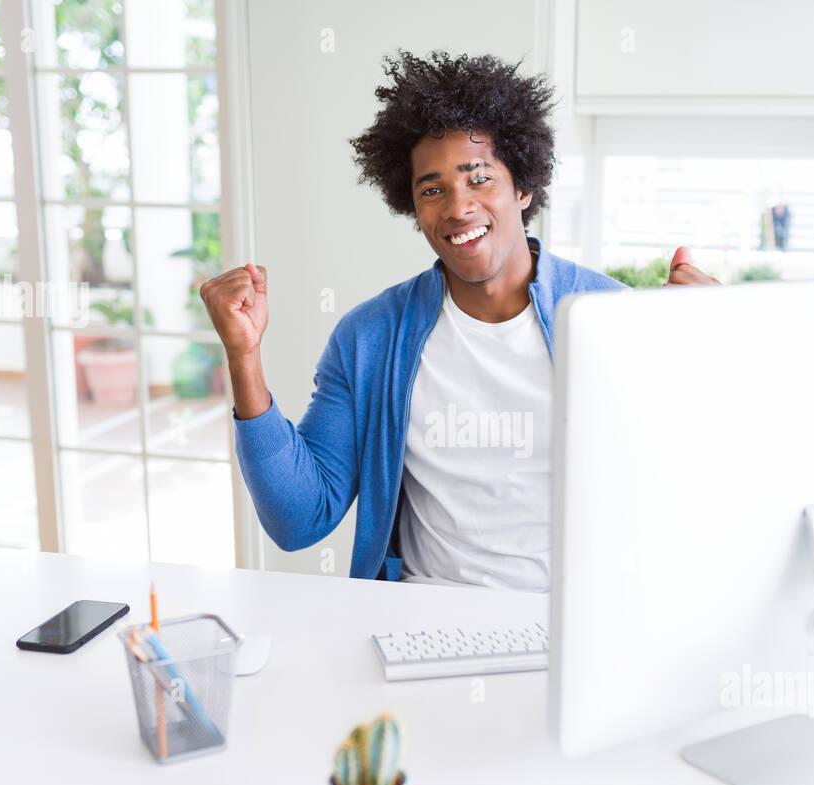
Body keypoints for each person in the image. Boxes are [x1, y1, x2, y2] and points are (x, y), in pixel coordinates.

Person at [199, 50, 718, 589]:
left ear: (523, 188)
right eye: (432, 190)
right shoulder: (370, 338)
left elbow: (697, 482)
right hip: (422, 616)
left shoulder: (613, 320)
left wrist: (717, 350)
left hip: (573, 620)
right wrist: (244, 357)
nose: (457, 206)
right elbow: (298, 518)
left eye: (479, 178)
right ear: (413, 208)